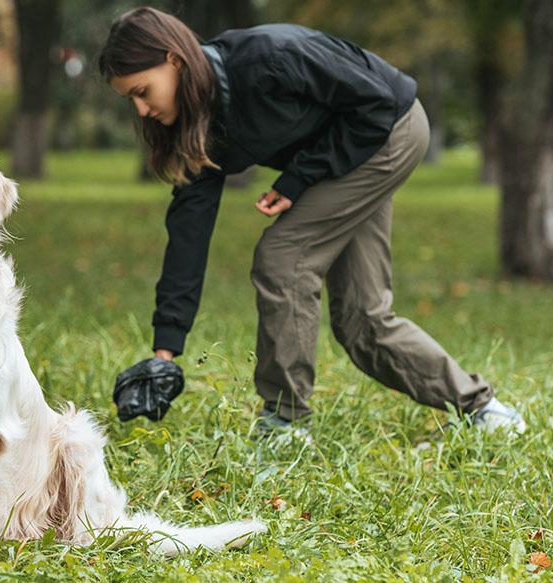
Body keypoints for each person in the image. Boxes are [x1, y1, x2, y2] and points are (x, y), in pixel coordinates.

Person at [99, 6, 526, 436]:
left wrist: (297, 180)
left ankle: (284, 423)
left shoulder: (268, 58)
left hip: (389, 130)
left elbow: (374, 104)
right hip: (350, 150)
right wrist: (164, 353)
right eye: (129, 99)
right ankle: (485, 410)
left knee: (283, 257)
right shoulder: (199, 125)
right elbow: (188, 233)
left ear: (174, 60)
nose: (140, 109)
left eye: (142, 91)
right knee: (364, 320)